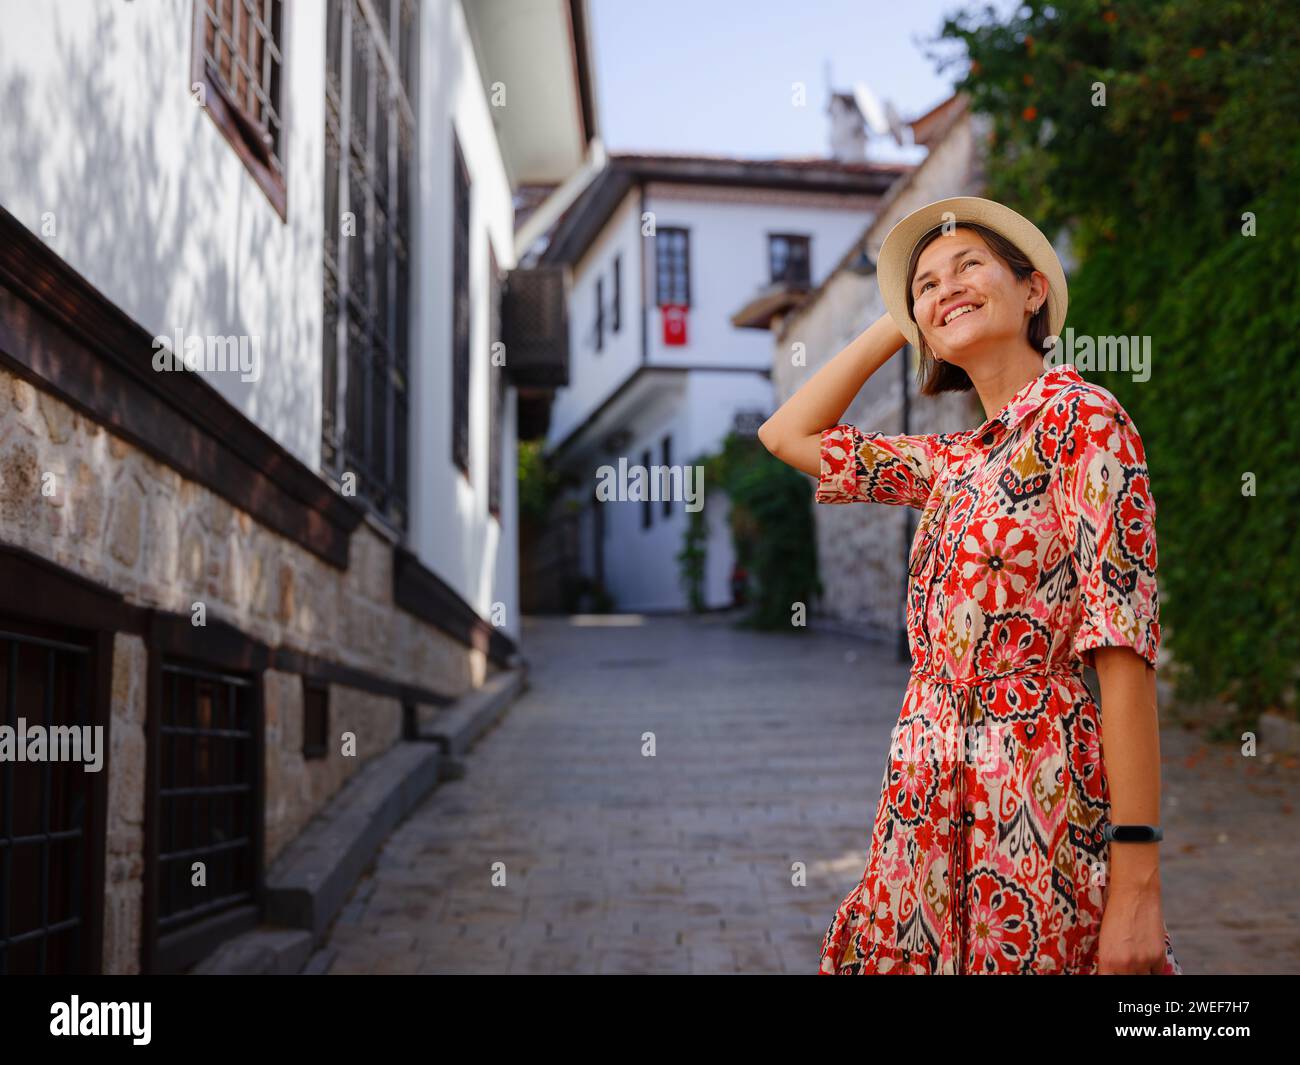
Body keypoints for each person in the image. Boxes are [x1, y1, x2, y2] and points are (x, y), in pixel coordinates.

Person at [758, 197, 1181, 975]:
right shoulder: (953, 461)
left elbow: (1123, 652)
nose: (946, 286)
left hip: (1035, 801)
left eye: (968, 267)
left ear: (1032, 293)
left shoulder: (1084, 421)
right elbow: (787, 434)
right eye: (926, 282)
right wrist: (902, 316)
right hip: (922, 801)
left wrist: (1138, 880)